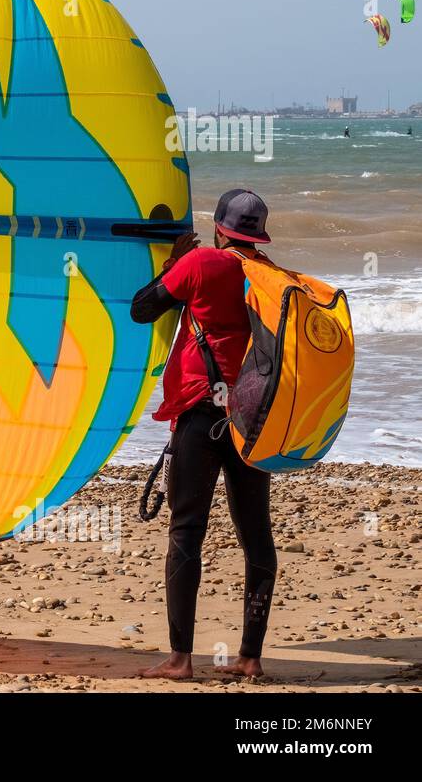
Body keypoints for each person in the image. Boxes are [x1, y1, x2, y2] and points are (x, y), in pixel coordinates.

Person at [129, 190, 277, 681]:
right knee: (256, 537)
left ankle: (180, 659)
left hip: (199, 413)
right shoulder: (270, 275)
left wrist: (173, 263)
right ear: (257, 235)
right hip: (252, 421)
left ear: (219, 228)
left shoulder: (201, 263)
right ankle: (250, 657)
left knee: (186, 529)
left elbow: (143, 308)